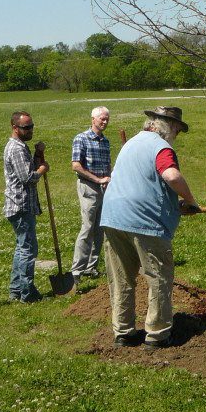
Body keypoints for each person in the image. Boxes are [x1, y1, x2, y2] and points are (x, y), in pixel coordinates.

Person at [100, 106, 203, 351]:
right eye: (177, 128)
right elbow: (171, 176)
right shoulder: (161, 147)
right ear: (166, 125)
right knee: (158, 276)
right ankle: (156, 335)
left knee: (121, 277)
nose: (177, 134)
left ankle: (123, 332)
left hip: (113, 217)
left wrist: (173, 205)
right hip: (144, 222)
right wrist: (190, 202)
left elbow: (138, 183)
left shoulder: (130, 144)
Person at [3, 111, 49, 303]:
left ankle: (16, 290)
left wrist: (38, 154)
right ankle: (27, 293)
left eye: (31, 126)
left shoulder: (22, 146)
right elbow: (27, 178)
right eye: (26, 127)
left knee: (22, 247)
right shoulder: (16, 148)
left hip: (23, 205)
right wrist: (41, 169)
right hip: (20, 206)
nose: (30, 130)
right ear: (15, 127)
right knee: (28, 250)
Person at [70, 105, 111, 282]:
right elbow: (76, 166)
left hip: (103, 188)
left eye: (107, 119)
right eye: (102, 118)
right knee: (87, 228)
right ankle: (76, 271)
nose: (105, 121)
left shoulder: (105, 141)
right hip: (88, 187)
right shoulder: (82, 138)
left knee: (99, 229)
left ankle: (91, 267)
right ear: (93, 119)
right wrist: (97, 179)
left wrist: (108, 179)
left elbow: (107, 165)